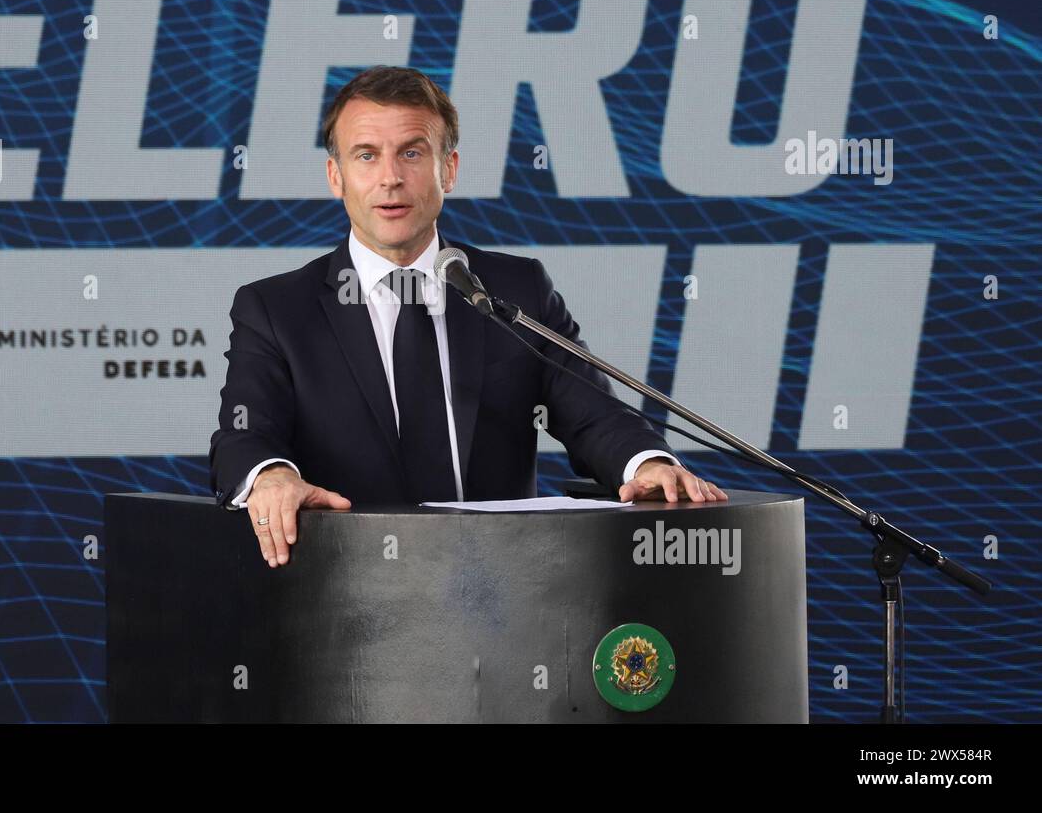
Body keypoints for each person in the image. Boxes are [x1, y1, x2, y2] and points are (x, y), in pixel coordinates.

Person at [209, 66, 726, 568]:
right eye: (366, 155)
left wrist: (649, 464)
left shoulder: (515, 290)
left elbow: (593, 415)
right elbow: (243, 434)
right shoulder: (277, 309)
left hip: (504, 590)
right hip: (345, 589)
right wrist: (271, 476)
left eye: (412, 153)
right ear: (336, 176)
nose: (390, 177)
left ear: (448, 169)